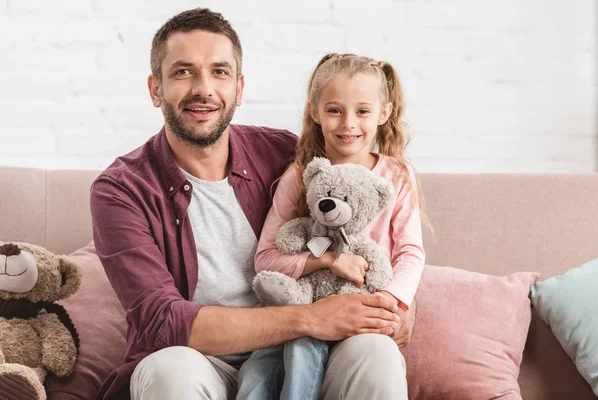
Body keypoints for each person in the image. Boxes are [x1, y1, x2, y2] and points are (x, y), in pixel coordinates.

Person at [90, 8, 415, 400]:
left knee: (376, 353)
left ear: (239, 88)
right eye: (182, 72)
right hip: (201, 363)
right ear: (155, 88)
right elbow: (163, 322)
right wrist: (310, 318)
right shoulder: (121, 191)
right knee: (167, 370)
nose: (203, 88)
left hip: (309, 357)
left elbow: (376, 222)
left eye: (219, 72)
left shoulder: (286, 155)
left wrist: (396, 306)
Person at [237, 53, 426, 400]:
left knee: (378, 361)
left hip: (361, 317)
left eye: (363, 111)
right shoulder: (300, 176)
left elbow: (410, 253)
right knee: (258, 375)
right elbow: (265, 258)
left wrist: (390, 301)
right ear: (314, 111)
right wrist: (326, 261)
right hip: (301, 312)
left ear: (384, 113)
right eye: (335, 110)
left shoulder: (396, 176)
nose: (348, 123)